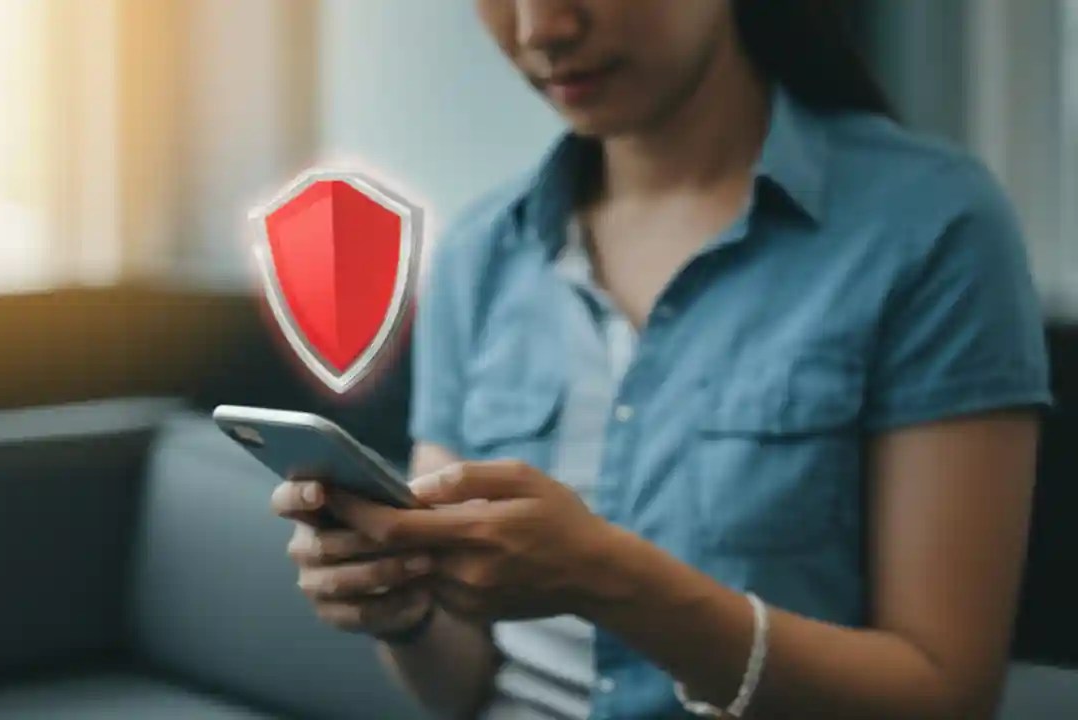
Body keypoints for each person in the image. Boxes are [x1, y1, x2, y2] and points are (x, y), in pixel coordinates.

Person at [271, 1, 1053, 717]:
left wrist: (612, 580)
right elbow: (461, 686)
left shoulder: (930, 227)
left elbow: (944, 698)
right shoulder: (481, 254)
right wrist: (405, 611)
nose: (540, 29)